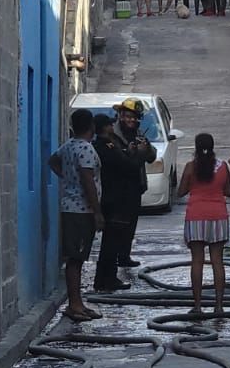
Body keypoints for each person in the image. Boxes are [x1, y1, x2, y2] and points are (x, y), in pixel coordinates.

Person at [48, 109, 105, 322]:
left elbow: (52, 161)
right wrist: (97, 211)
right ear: (91, 126)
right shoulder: (86, 149)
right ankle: (75, 304)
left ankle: (77, 302)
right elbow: (88, 181)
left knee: (76, 258)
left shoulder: (68, 146)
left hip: (70, 206)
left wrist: (67, 180)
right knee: (76, 259)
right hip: (81, 211)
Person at [93, 98, 155, 289]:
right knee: (112, 237)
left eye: (134, 117)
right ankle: (107, 278)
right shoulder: (111, 139)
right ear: (119, 117)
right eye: (127, 116)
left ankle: (123, 256)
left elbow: (151, 156)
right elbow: (124, 165)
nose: (130, 120)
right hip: (116, 193)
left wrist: (145, 149)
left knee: (127, 227)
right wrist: (135, 153)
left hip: (132, 190)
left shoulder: (138, 134)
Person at [179, 132, 230, 316]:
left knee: (197, 261)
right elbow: (228, 191)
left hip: (195, 216)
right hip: (218, 216)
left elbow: (180, 192)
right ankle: (218, 305)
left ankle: (198, 305)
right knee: (218, 261)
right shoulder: (223, 166)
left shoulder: (190, 167)